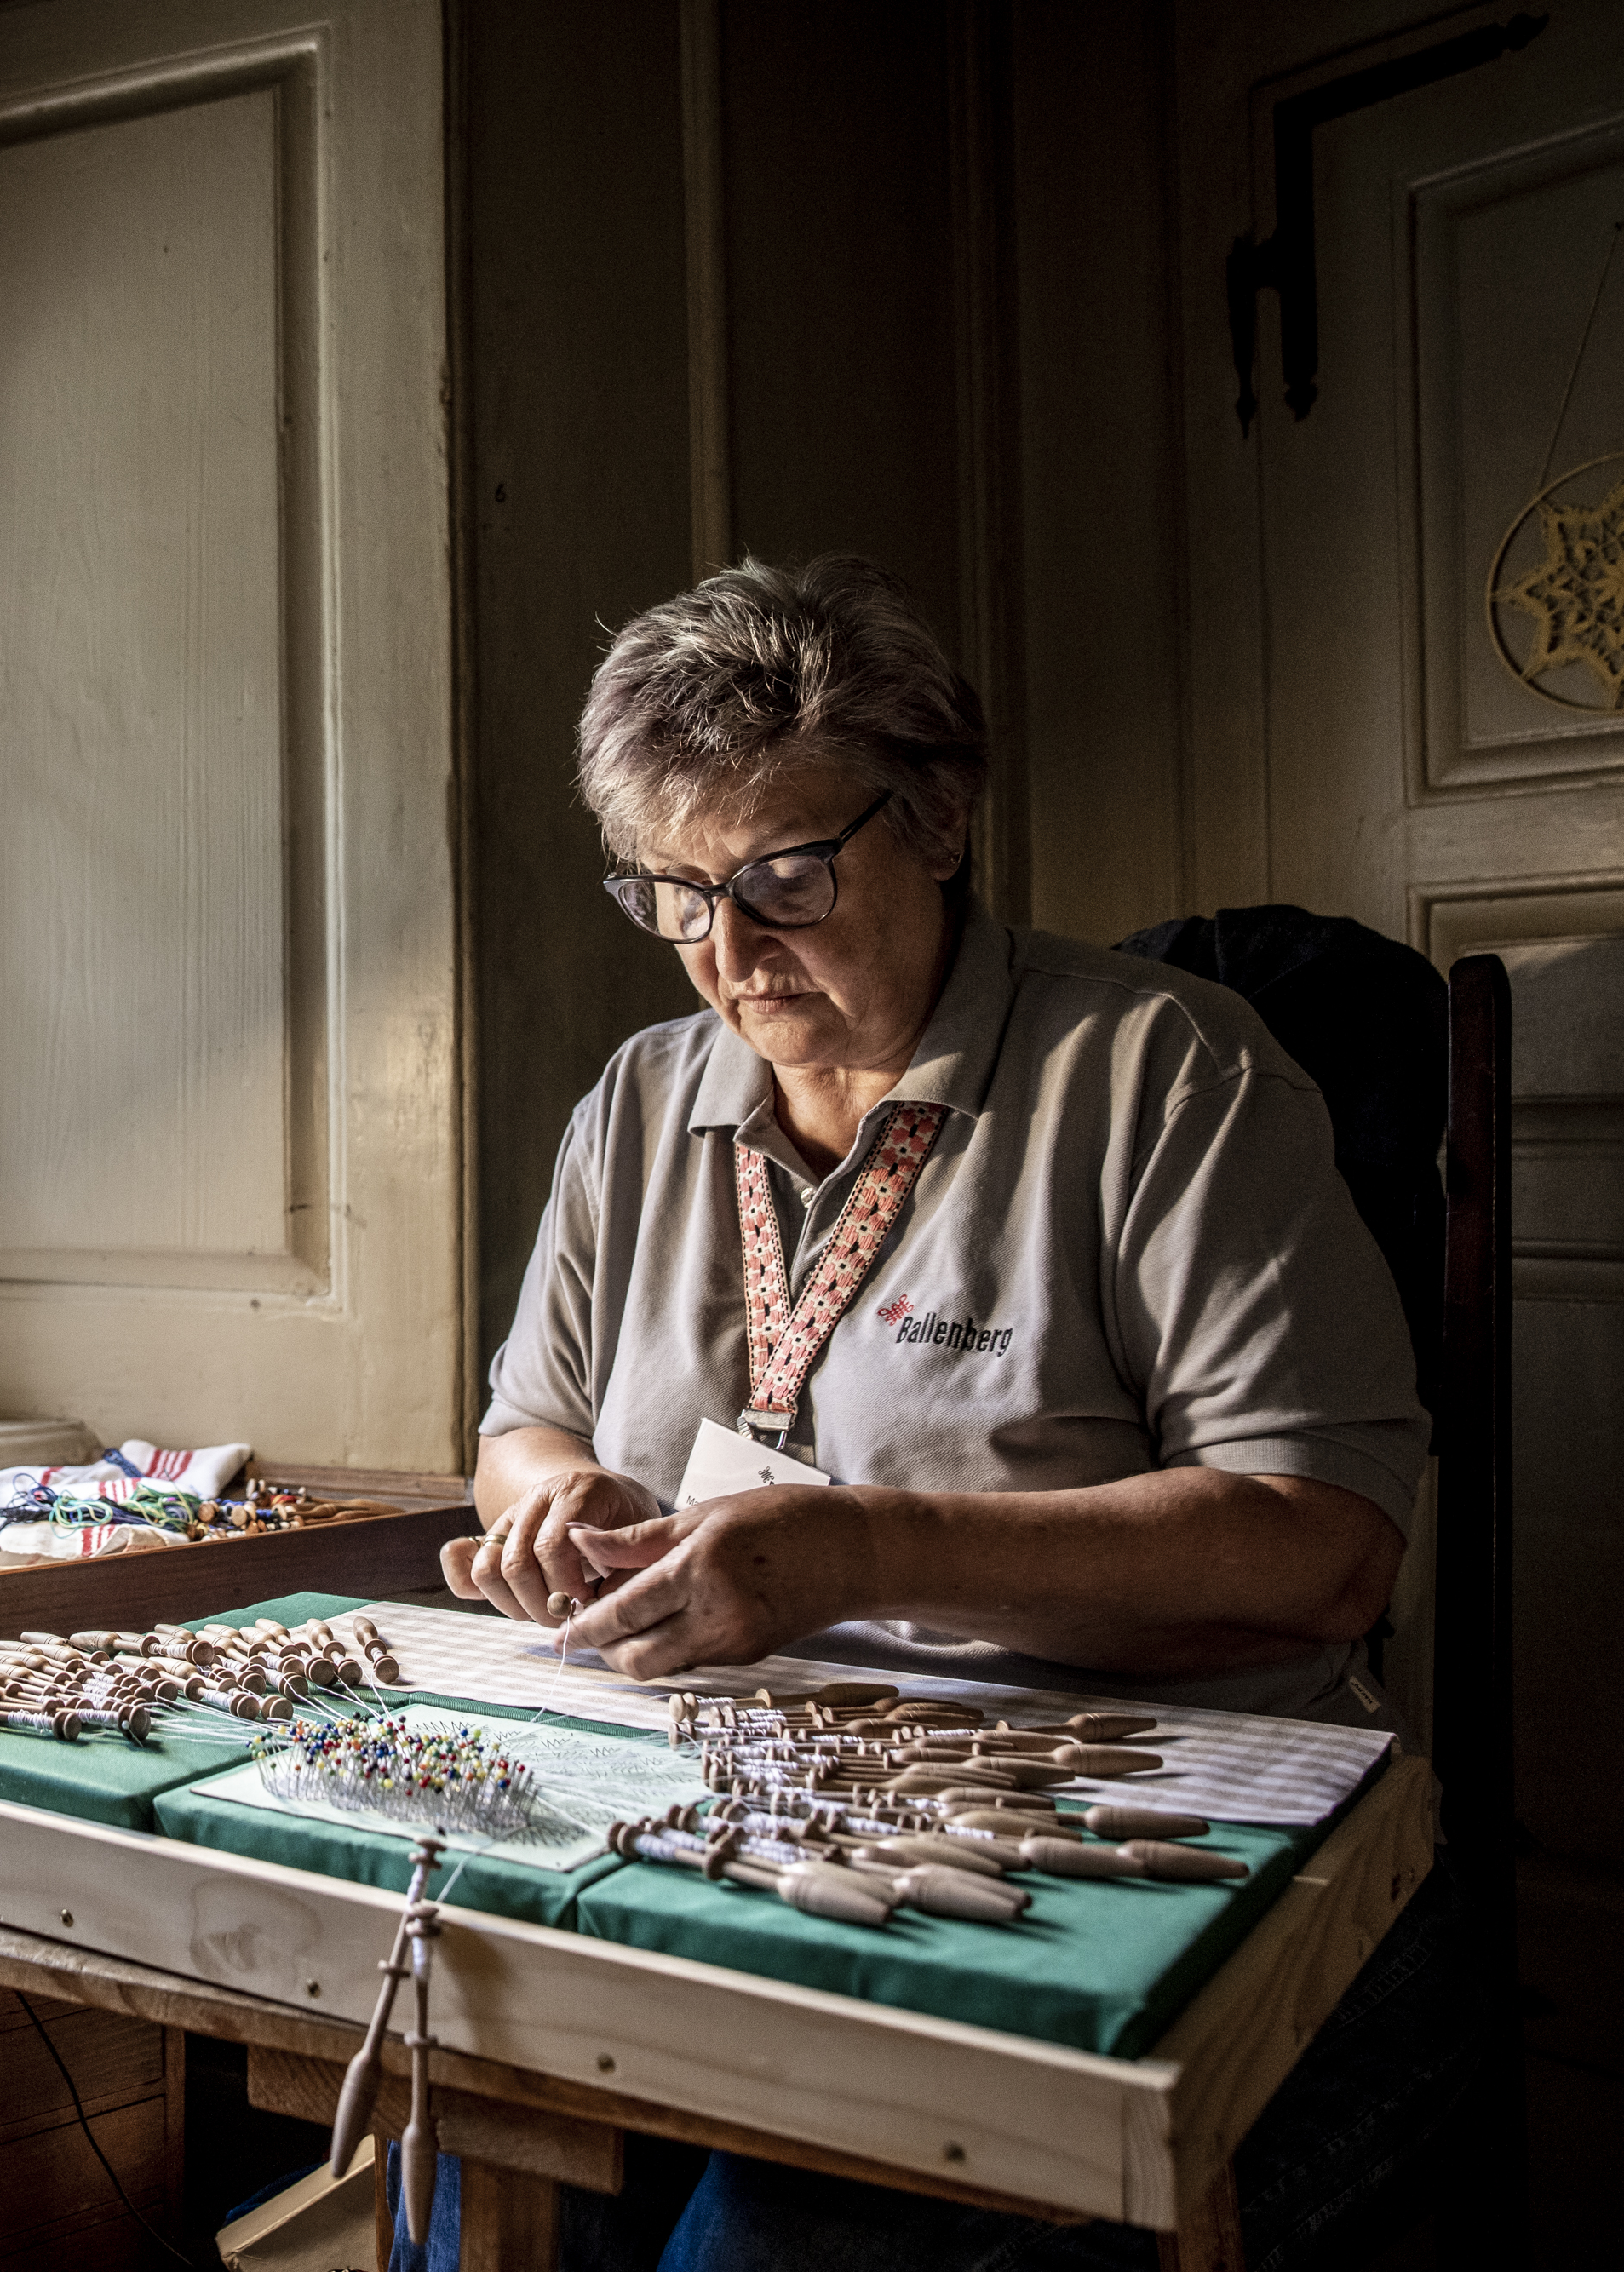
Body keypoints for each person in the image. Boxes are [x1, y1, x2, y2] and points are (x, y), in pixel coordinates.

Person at [448, 558, 1475, 2269]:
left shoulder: (1167, 1071)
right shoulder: (637, 1099)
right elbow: (519, 1430)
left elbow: (1322, 1551)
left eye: (781, 877)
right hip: (742, 1796)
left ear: (936, 817)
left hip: (1127, 1803)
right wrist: (557, 1500)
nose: (727, 954)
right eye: (674, 895)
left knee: (757, 2248)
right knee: (461, 2165)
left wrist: (857, 1551)